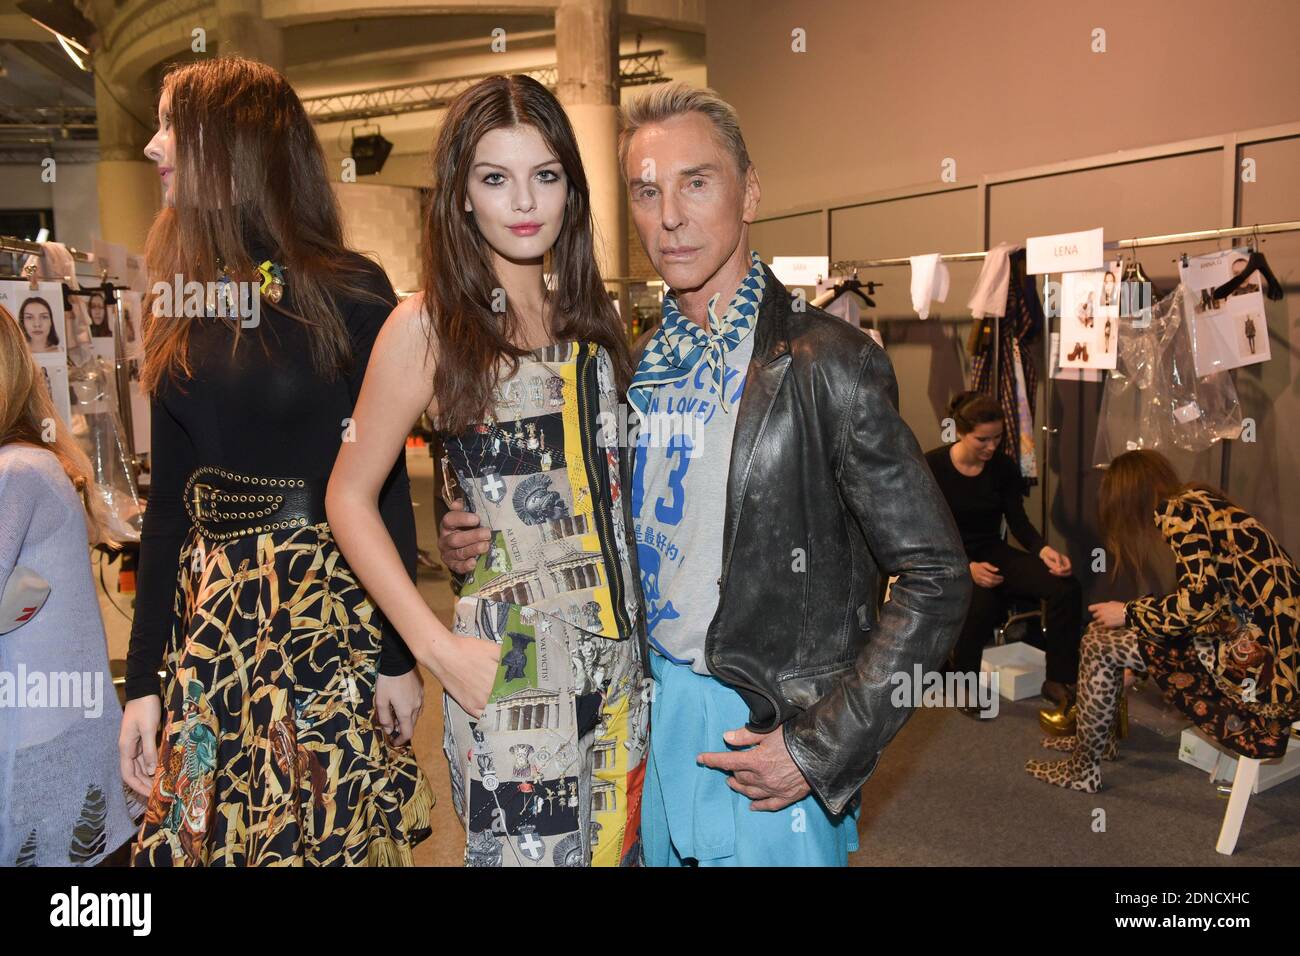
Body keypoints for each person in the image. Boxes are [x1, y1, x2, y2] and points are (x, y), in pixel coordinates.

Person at [440, 82, 972, 867]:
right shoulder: (632, 365)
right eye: (647, 192)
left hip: (762, 728)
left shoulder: (829, 365)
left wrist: (822, 747)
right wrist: (482, 540)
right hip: (641, 714)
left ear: (749, 191)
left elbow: (937, 575)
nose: (671, 216)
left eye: (697, 182)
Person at [327, 74, 647, 868]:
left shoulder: (588, 313)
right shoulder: (426, 325)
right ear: (462, 196)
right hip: (512, 676)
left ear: (571, 186)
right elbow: (347, 494)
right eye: (495, 178)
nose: (524, 201)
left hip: (620, 669)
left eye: (545, 175)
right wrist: (436, 651)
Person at [118, 56, 432, 866]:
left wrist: (400, 655)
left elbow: (386, 481)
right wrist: (143, 679)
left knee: (323, 836)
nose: (154, 147)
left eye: (170, 128)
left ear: (232, 147)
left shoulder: (351, 291)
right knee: (208, 841)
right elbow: (166, 511)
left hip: (325, 619)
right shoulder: (176, 297)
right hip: (212, 629)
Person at [1026, 449, 1300, 792]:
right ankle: (1097, 741)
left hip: (1260, 666)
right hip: (1276, 650)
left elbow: (1197, 606)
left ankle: (1083, 767)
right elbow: (1208, 599)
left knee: (1098, 640)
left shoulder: (1178, 513)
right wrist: (1136, 626)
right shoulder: (1199, 499)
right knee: (1111, 634)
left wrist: (1128, 613)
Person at [0, 310, 137, 866]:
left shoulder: (18, 472)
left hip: (38, 754)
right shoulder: (36, 463)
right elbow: (27, 597)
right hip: (57, 738)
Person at [925, 392, 1082, 712]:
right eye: (982, 439)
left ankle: (1058, 678)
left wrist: (1044, 550)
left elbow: (1018, 521)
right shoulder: (933, 466)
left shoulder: (1003, 467)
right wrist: (966, 567)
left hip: (992, 550)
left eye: (998, 438)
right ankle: (962, 683)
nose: (992, 447)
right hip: (949, 557)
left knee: (1065, 586)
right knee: (981, 601)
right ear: (959, 432)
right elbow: (925, 530)